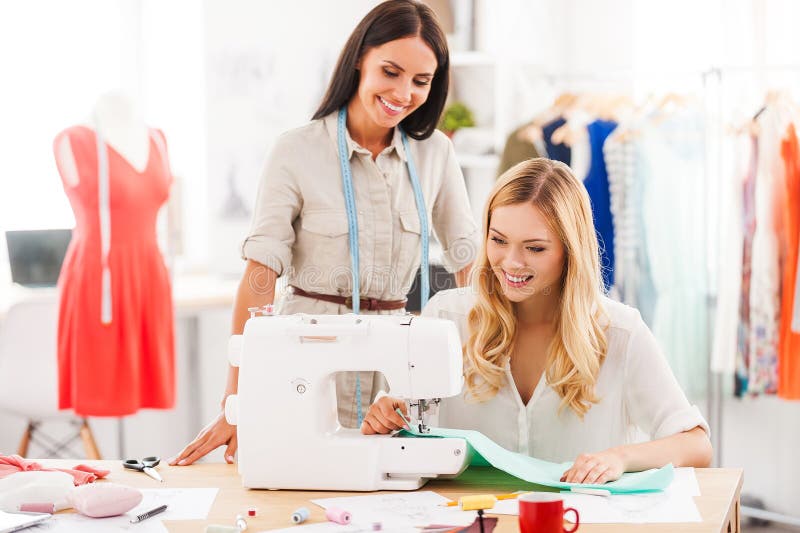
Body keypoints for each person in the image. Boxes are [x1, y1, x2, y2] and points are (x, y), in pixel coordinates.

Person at [171, 0, 478, 466]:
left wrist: (486, 360)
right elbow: (259, 280)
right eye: (390, 71)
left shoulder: (436, 154)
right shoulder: (295, 151)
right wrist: (236, 402)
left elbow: (469, 266)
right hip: (303, 358)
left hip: (396, 367)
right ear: (360, 58)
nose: (403, 92)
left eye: (421, 81)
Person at [361, 158, 712, 484]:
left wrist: (620, 458)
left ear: (569, 251)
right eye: (498, 240)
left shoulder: (620, 331)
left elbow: (696, 444)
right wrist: (387, 416)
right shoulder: (446, 319)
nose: (511, 263)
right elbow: (402, 413)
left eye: (535, 248)